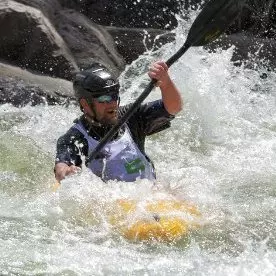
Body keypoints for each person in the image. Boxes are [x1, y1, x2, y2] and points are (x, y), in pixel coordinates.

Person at [54, 61, 182, 183]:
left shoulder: (130, 116)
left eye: (114, 96)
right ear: (85, 104)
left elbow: (173, 108)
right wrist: (67, 173)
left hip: (150, 195)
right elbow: (61, 169)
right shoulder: (74, 138)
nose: (112, 104)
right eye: (104, 98)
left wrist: (165, 83)